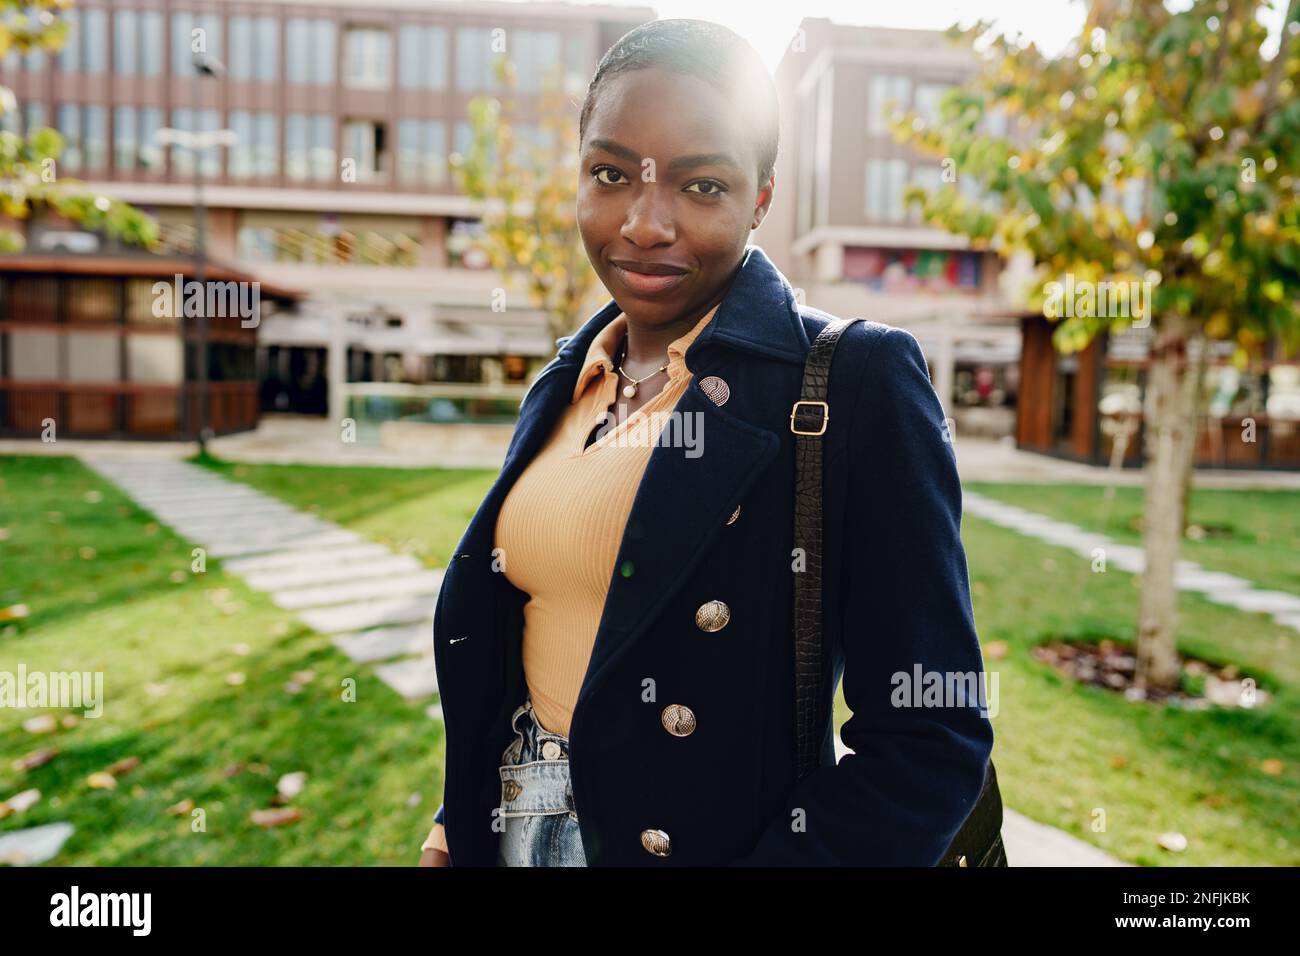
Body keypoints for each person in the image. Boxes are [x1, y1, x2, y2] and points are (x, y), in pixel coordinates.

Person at [420, 18, 994, 867]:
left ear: (761, 197)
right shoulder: (570, 377)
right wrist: (456, 820)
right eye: (611, 174)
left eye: (703, 186)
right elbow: (530, 631)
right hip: (516, 823)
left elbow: (930, 737)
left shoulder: (854, 380)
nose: (646, 224)